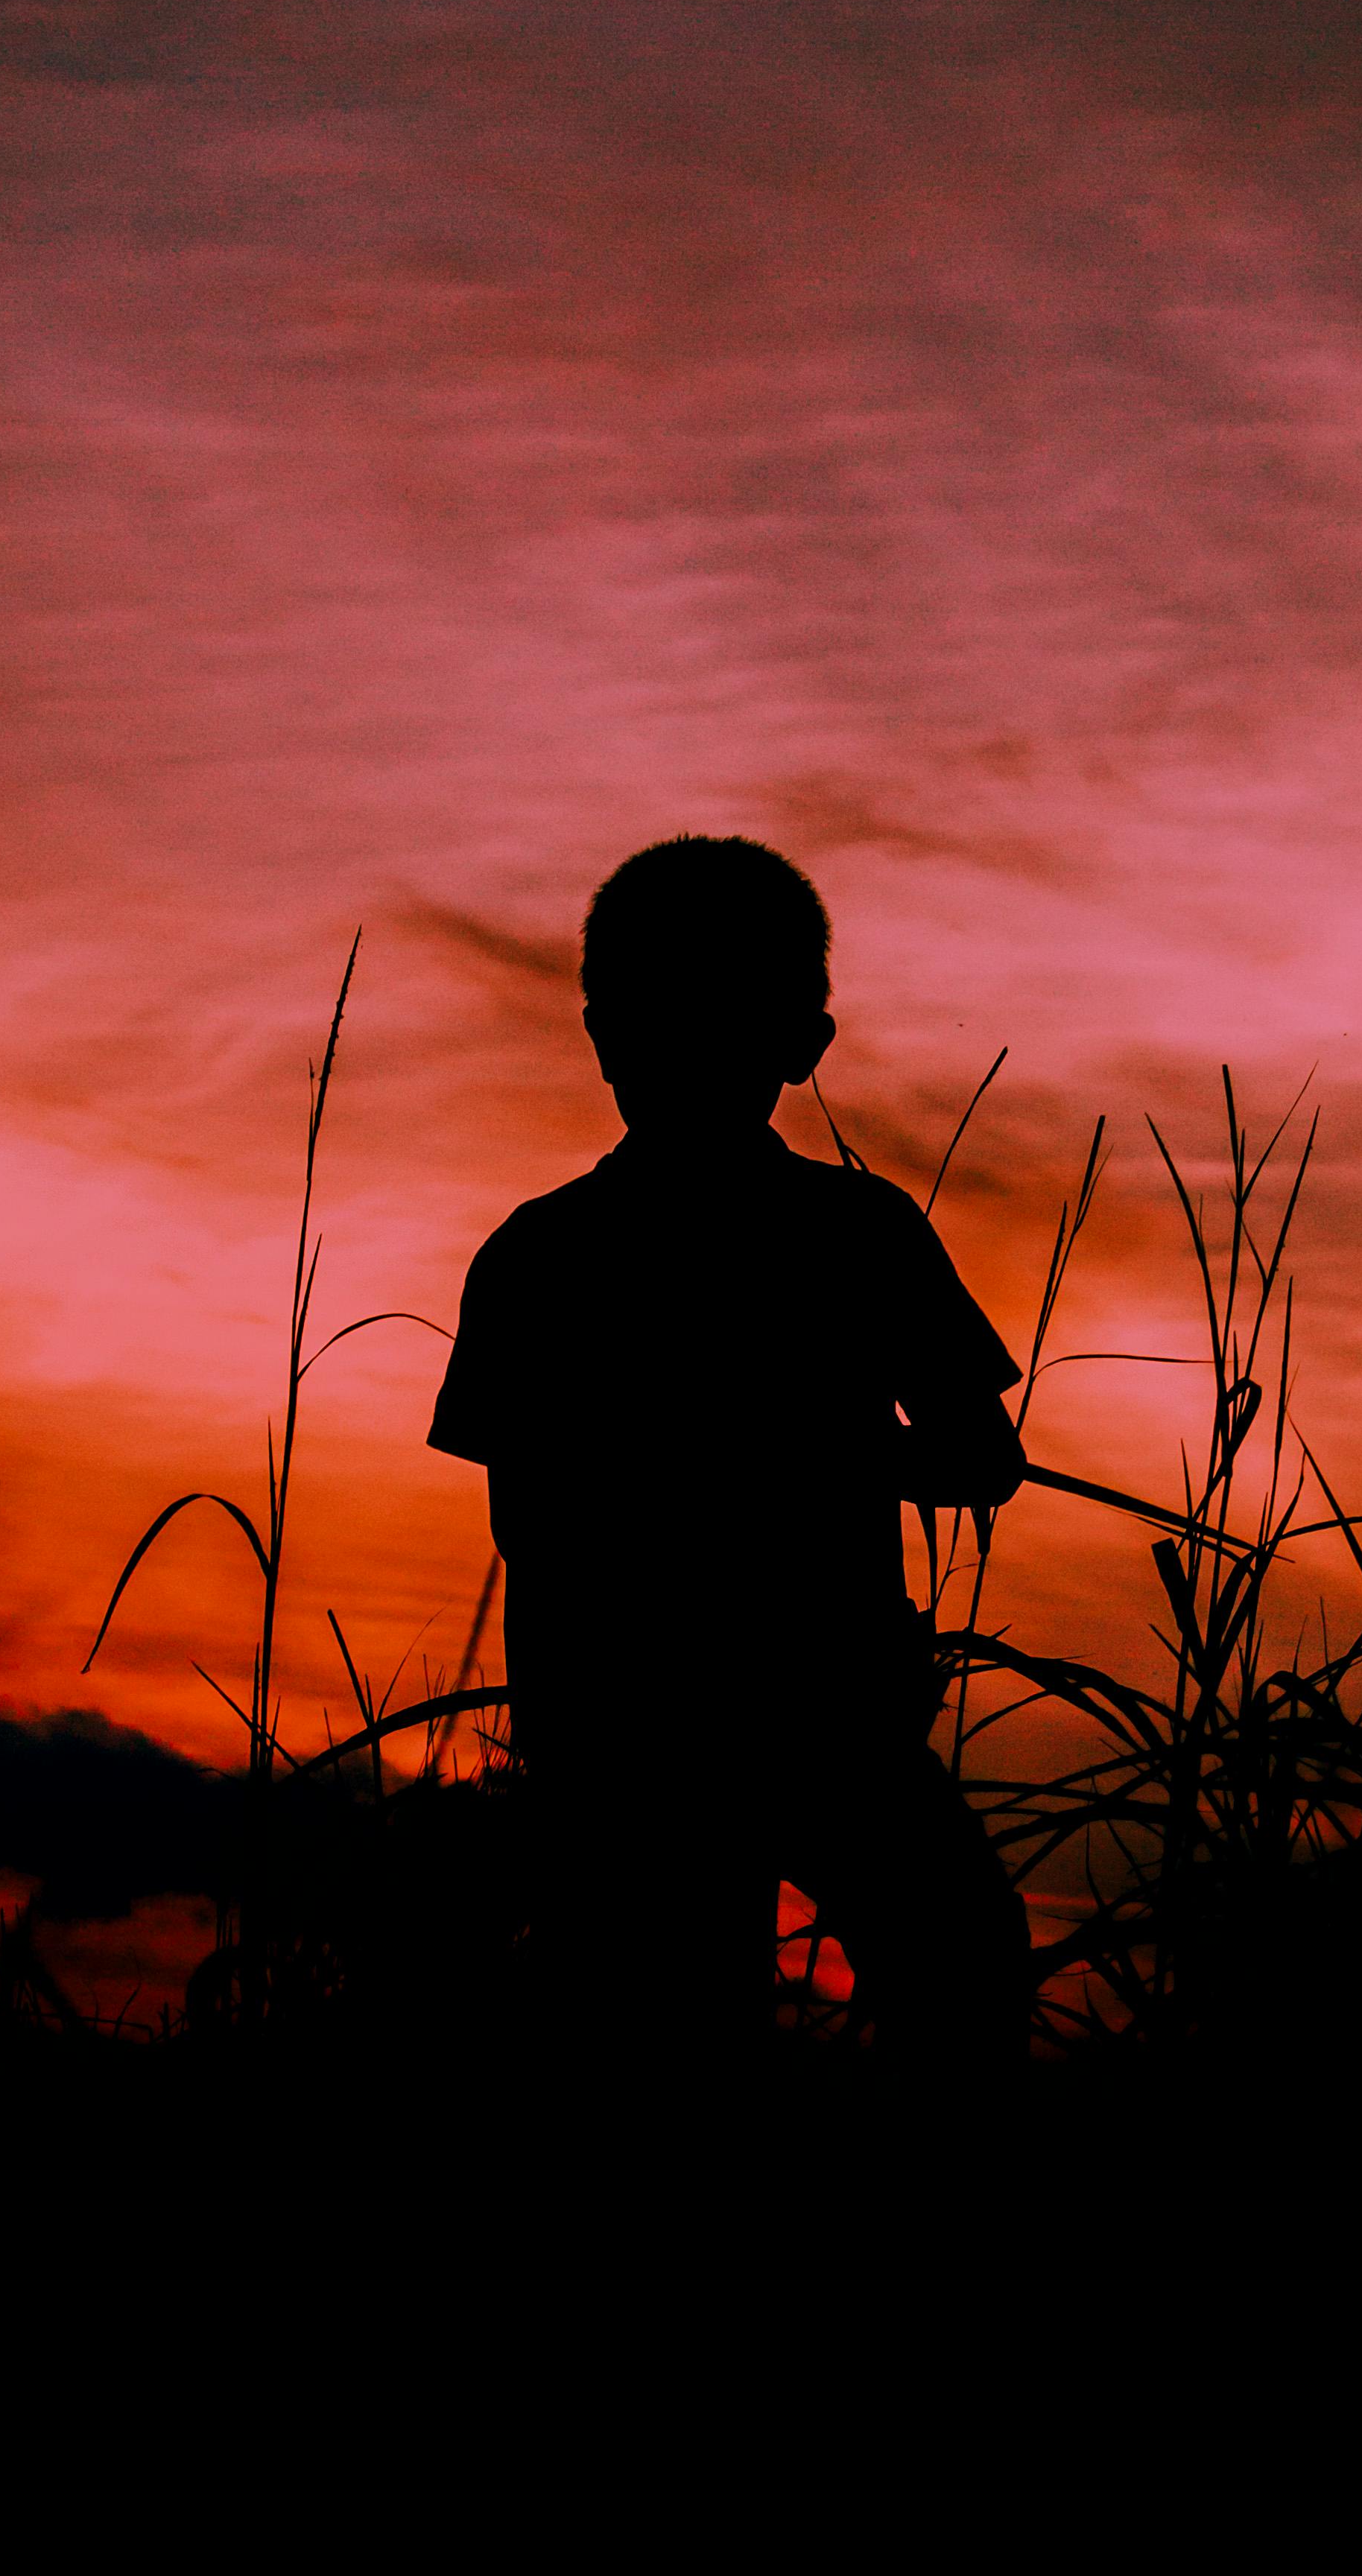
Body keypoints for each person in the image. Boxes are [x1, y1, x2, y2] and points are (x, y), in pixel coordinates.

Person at [428, 833, 1033, 2078]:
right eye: (673, 1017)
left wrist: (821, 1457)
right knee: (945, 1970)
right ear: (808, 1046)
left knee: (714, 2029)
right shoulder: (852, 1233)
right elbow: (981, 1457)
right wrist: (851, 1460)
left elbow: (526, 1519)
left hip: (671, 1730)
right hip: (726, 1730)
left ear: (601, 1038)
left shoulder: (543, 1255)